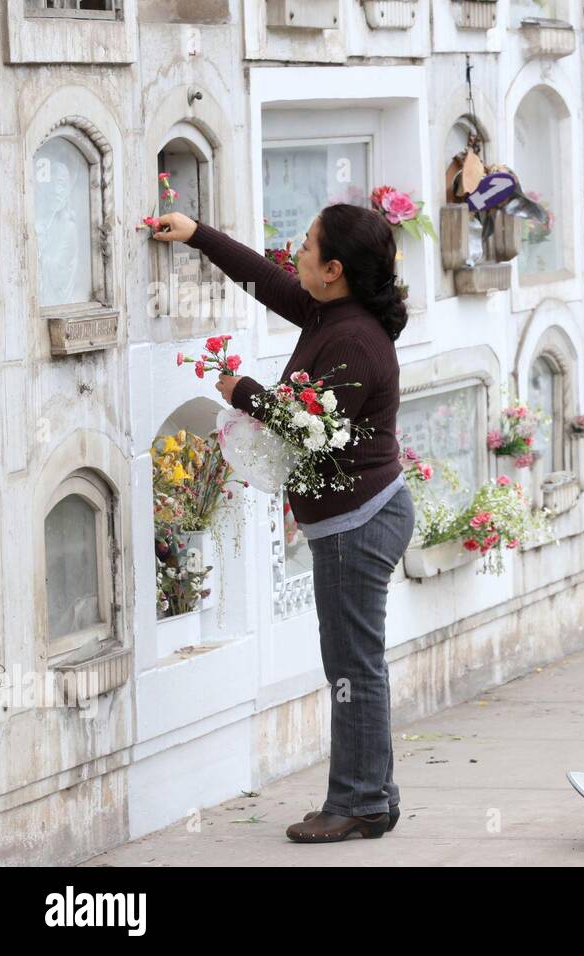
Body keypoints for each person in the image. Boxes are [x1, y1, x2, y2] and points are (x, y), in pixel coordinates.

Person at [153, 206, 414, 844]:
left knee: (352, 668)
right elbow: (266, 281)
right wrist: (198, 234)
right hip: (355, 519)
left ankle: (356, 801)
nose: (294, 251)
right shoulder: (333, 311)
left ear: (334, 271)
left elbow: (313, 434)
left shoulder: (351, 339)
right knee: (359, 664)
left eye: (308, 246)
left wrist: (241, 390)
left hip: (359, 524)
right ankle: (372, 796)